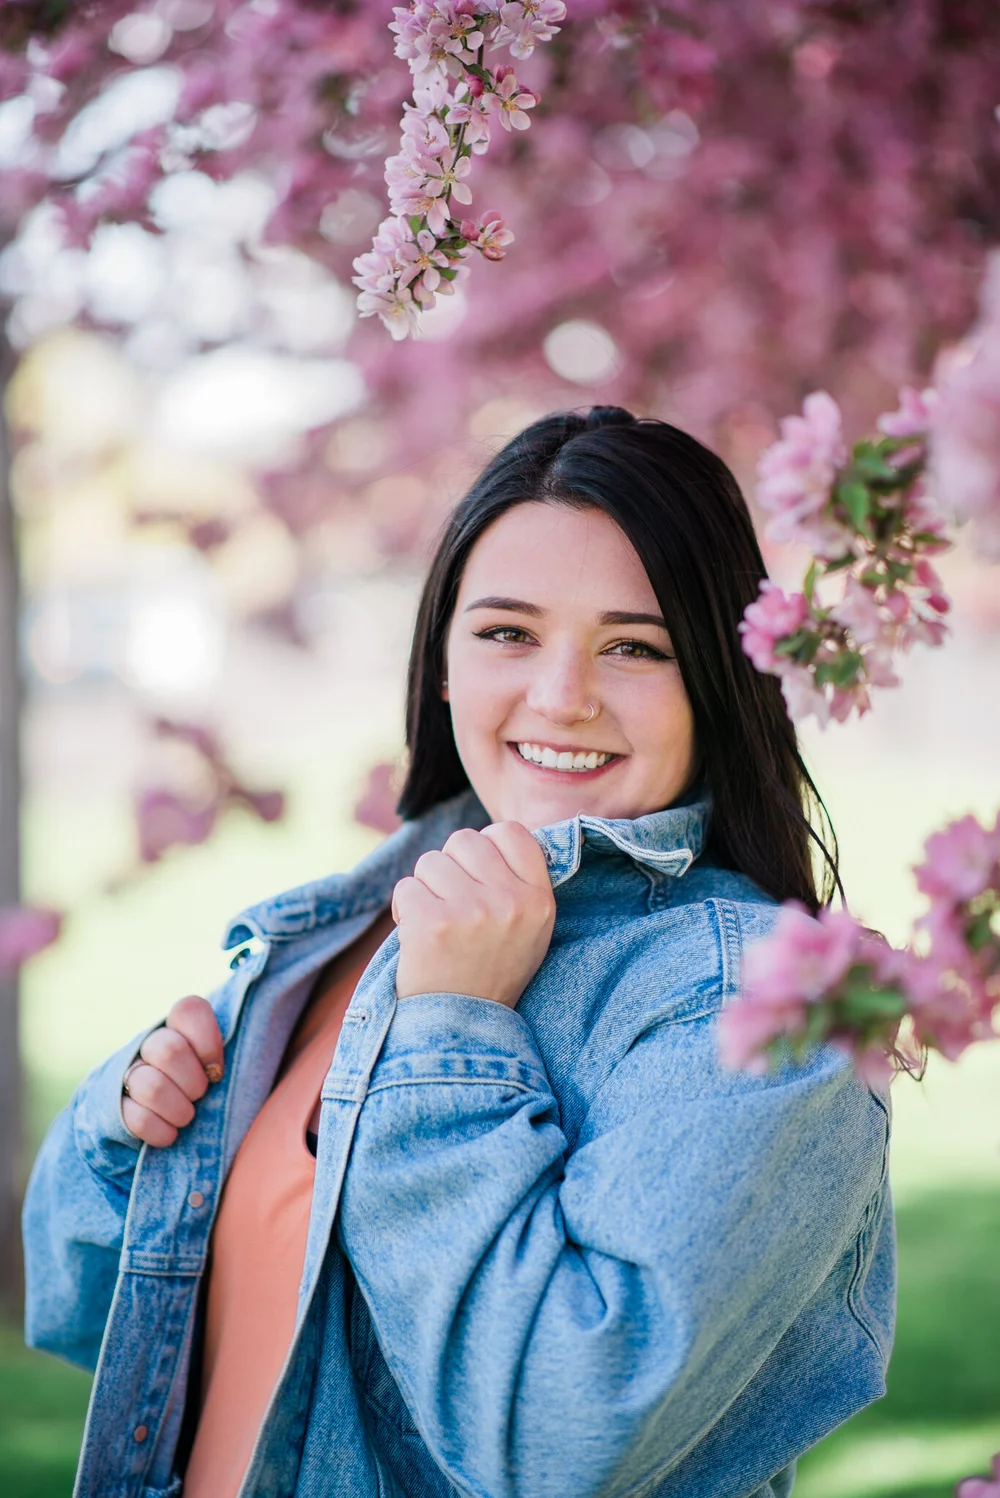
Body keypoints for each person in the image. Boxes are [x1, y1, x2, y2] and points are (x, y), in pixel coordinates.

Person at [22, 405, 895, 1498]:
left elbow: (554, 1439)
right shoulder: (351, 927)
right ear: (440, 663)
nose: (561, 695)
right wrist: (125, 1132)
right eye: (506, 633)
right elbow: (86, 1310)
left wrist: (456, 1033)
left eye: (635, 645)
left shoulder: (764, 1000)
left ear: (716, 686)